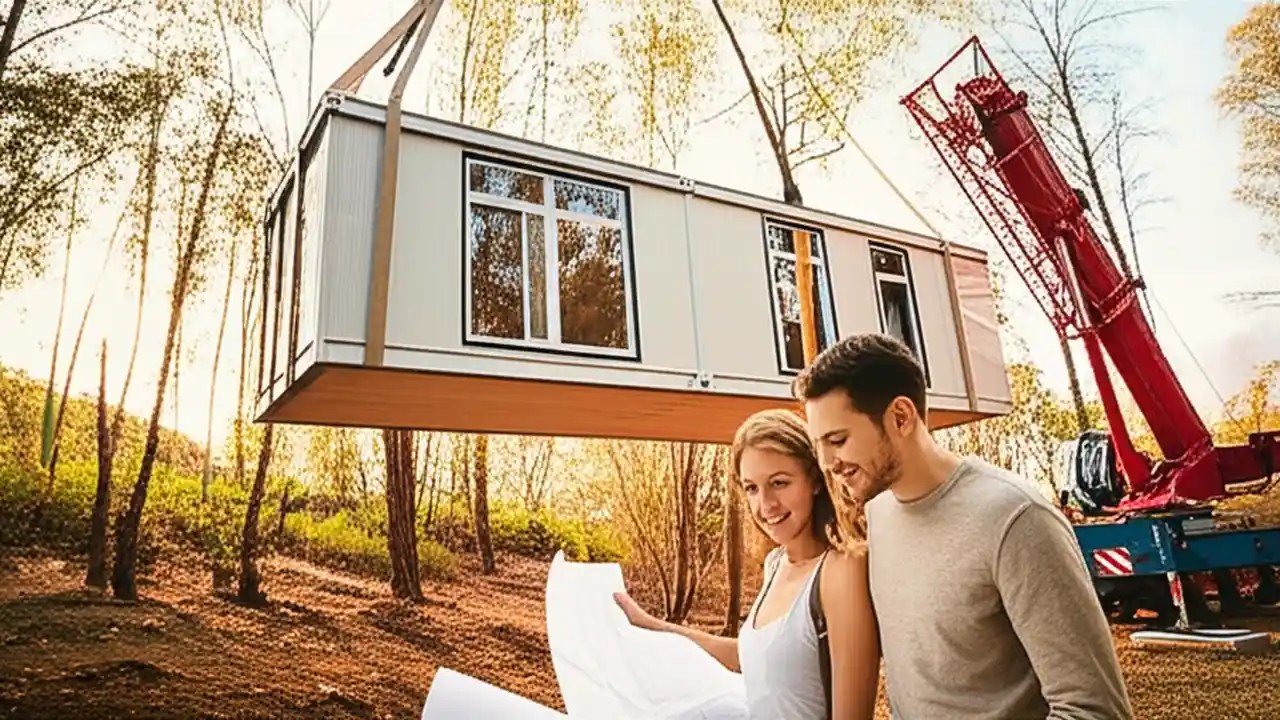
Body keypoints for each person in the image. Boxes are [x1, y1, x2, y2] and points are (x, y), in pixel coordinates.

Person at [792, 332, 1133, 720]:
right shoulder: (878, 515)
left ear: (901, 417)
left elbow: (1094, 710)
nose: (826, 462)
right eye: (819, 445)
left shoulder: (1015, 519)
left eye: (837, 440)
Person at [612, 408, 880, 720]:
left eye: (779, 483)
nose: (766, 505)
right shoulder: (775, 564)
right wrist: (648, 625)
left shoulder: (840, 570)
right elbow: (753, 657)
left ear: (815, 480)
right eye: (752, 488)